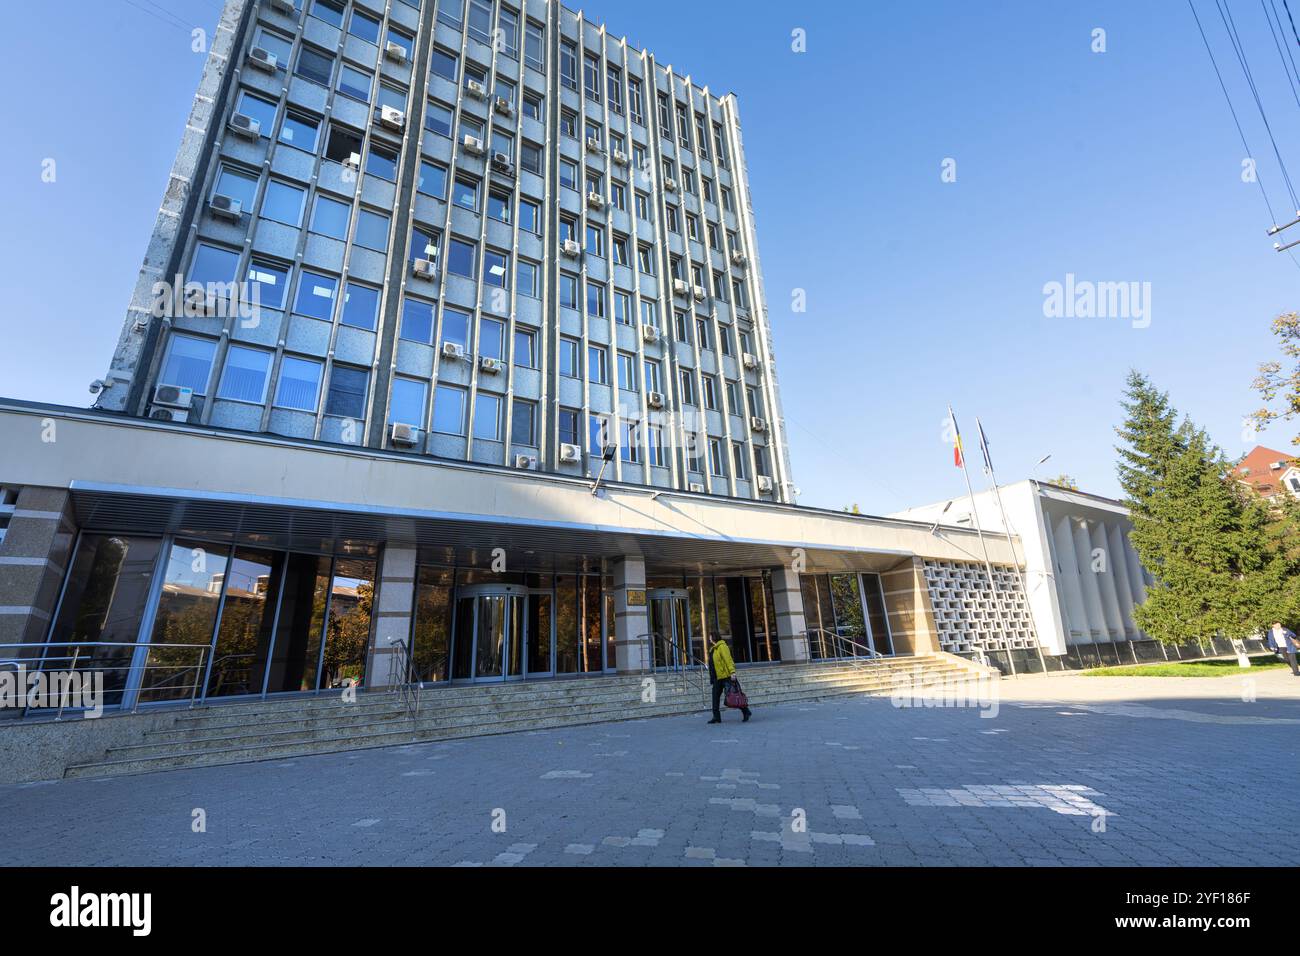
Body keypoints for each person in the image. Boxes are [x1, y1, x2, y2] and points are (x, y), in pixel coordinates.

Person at [708, 637, 751, 724]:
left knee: (734, 695)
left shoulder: (722, 646)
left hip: (726, 676)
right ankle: (716, 717)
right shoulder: (713, 649)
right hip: (717, 677)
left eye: (710, 637)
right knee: (715, 697)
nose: (709, 639)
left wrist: (732, 672)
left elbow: (728, 660)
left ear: (714, 637)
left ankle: (746, 711)